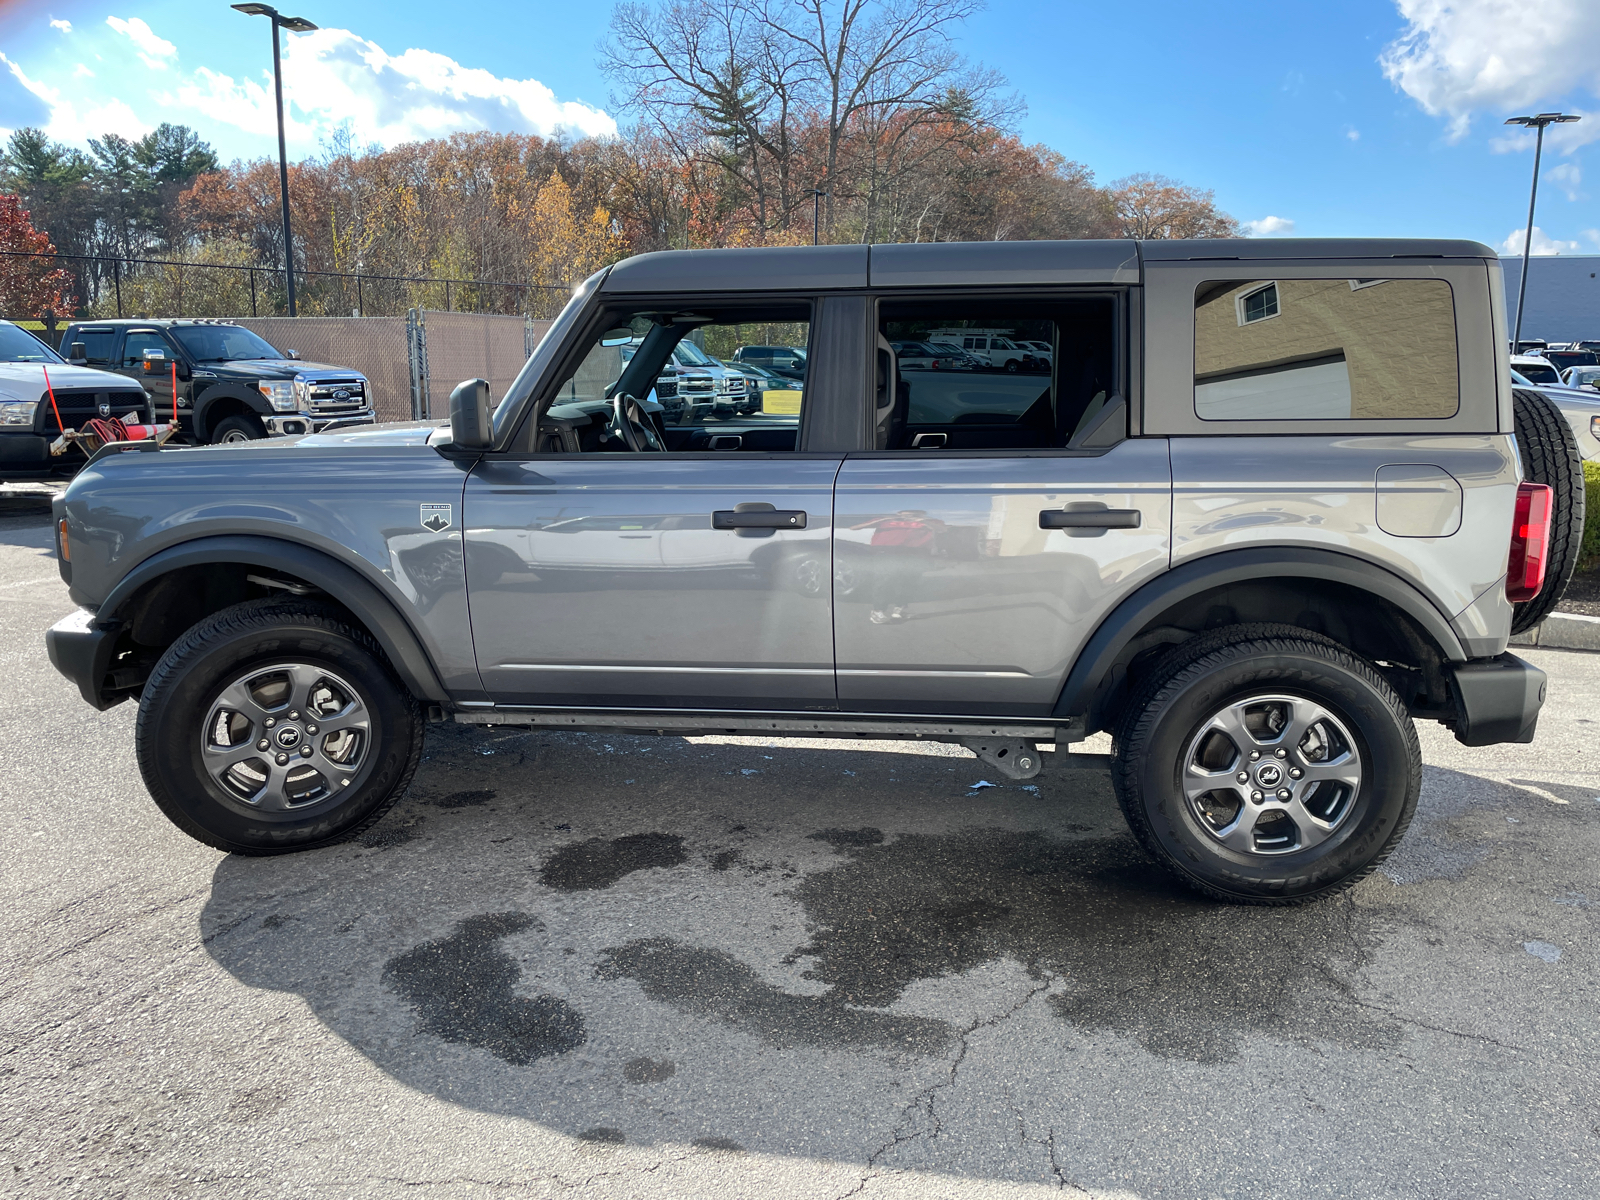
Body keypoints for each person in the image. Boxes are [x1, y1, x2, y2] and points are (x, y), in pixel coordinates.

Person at [851, 509, 945, 623]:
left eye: (915, 513)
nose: (910, 515)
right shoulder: (887, 520)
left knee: (909, 582)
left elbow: (942, 530)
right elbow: (854, 527)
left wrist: (924, 521)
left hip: (916, 553)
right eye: (906, 513)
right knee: (885, 581)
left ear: (922, 513)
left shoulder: (929, 521)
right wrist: (884, 519)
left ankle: (899, 610)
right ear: (899, 513)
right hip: (887, 551)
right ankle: (878, 611)